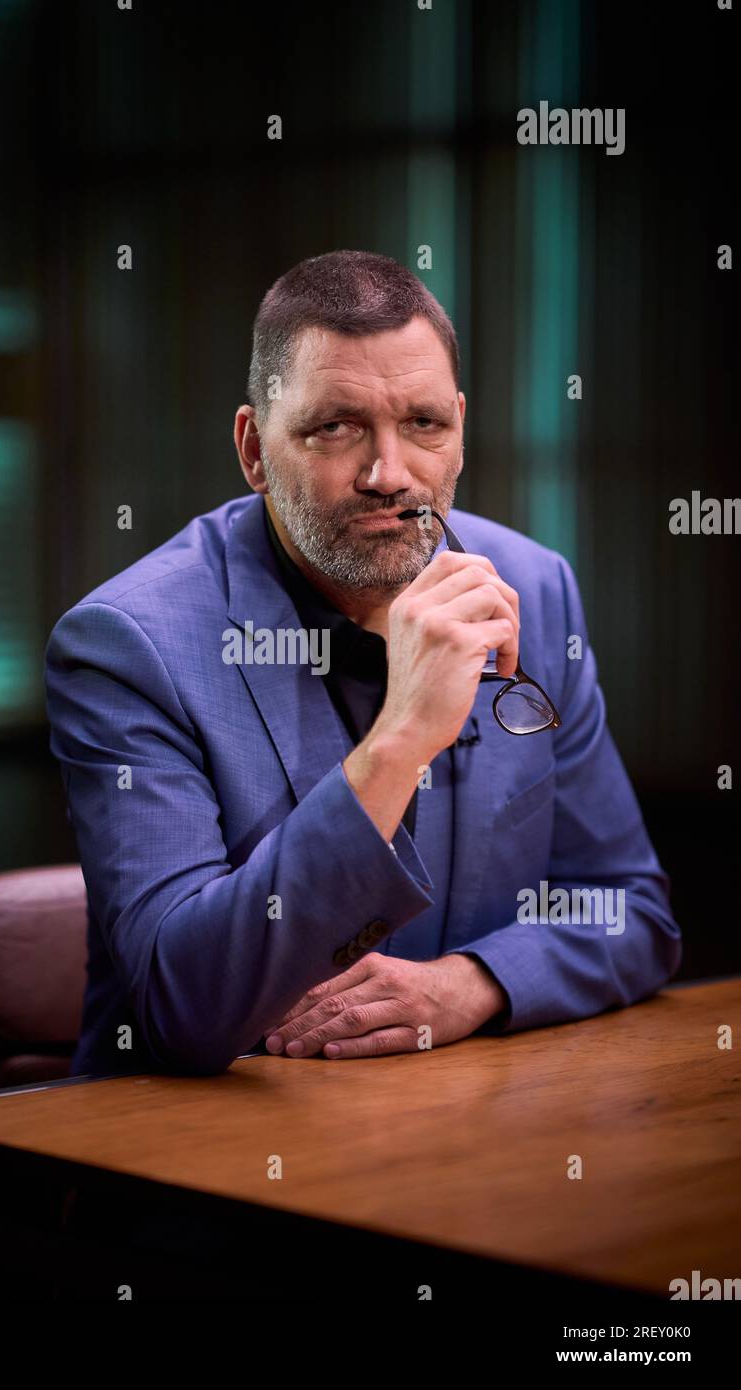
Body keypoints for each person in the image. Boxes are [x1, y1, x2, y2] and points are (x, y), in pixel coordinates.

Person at [45, 249, 681, 1077]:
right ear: (254, 449)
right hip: (205, 1163)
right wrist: (400, 740)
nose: (390, 475)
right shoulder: (129, 644)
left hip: (465, 1144)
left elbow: (632, 911)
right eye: (335, 427)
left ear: (458, 425)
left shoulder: (534, 588)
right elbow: (185, 1007)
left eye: (423, 424)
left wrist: (470, 986)